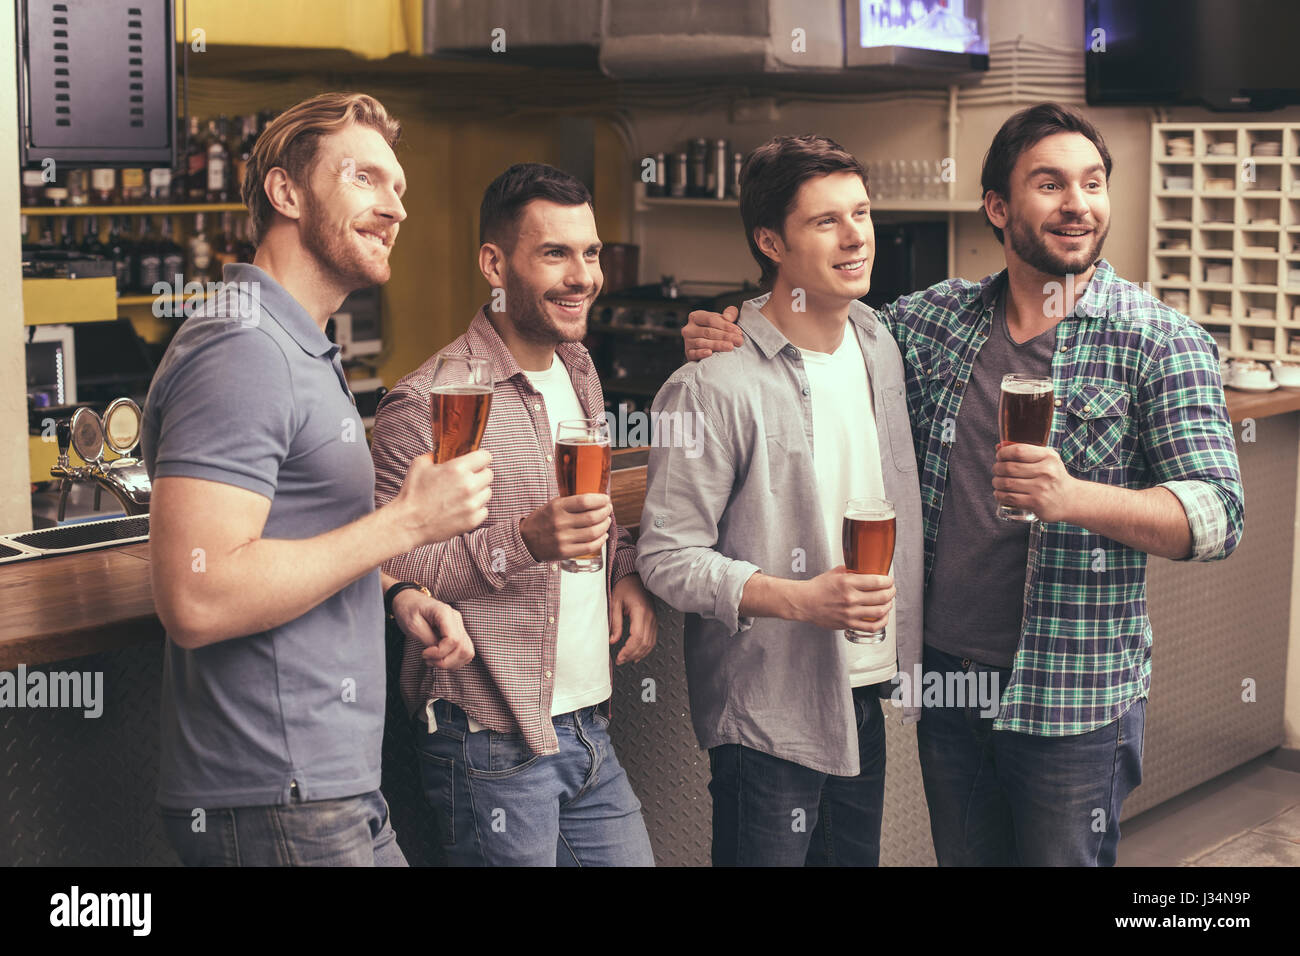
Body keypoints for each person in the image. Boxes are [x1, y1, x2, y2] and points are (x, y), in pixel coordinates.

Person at [681, 103, 1244, 866]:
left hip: (1073, 696)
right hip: (951, 687)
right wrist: (733, 326)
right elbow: (815, 319)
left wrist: (1071, 496)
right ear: (998, 207)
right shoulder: (931, 323)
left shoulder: (1160, 340)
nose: (1078, 205)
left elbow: (1218, 516)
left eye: (1093, 183)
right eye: (1050, 185)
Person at [143, 92, 493, 867]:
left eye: (399, 188)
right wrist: (405, 525)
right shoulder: (242, 347)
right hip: (275, 793)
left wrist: (395, 592)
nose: (395, 207)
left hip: (327, 788)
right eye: (366, 179)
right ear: (286, 193)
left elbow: (294, 544)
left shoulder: (296, 345)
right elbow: (197, 597)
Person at [636, 135, 923, 866]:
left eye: (860, 212)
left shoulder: (877, 341)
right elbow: (667, 559)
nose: (856, 234)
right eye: (826, 221)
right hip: (767, 713)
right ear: (770, 241)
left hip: (862, 690)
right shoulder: (711, 384)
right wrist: (802, 599)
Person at [369, 162, 658, 867]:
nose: (582, 276)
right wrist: (525, 540)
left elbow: (597, 513)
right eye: (555, 253)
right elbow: (389, 566)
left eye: (589, 253)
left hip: (591, 729)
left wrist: (623, 570)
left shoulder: (579, 369)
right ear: (495, 264)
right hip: (488, 741)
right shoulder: (429, 402)